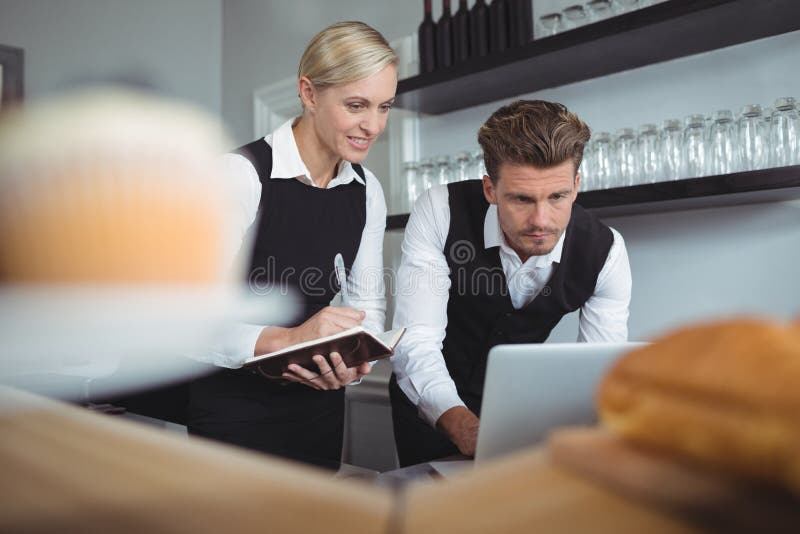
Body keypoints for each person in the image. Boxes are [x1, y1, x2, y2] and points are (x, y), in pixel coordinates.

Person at [188, 21, 397, 468]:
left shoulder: (367, 190)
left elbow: (368, 307)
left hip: (320, 415)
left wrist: (353, 364)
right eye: (356, 105)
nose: (373, 125)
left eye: (384, 107)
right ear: (309, 93)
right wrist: (289, 339)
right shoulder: (238, 176)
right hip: (233, 416)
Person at [389, 99, 632, 467]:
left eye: (557, 197)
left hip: (518, 415)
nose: (541, 220)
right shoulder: (441, 211)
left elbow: (599, 371)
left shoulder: (606, 251)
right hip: (428, 406)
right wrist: (463, 425)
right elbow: (416, 342)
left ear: (576, 185)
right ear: (490, 189)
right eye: (522, 199)